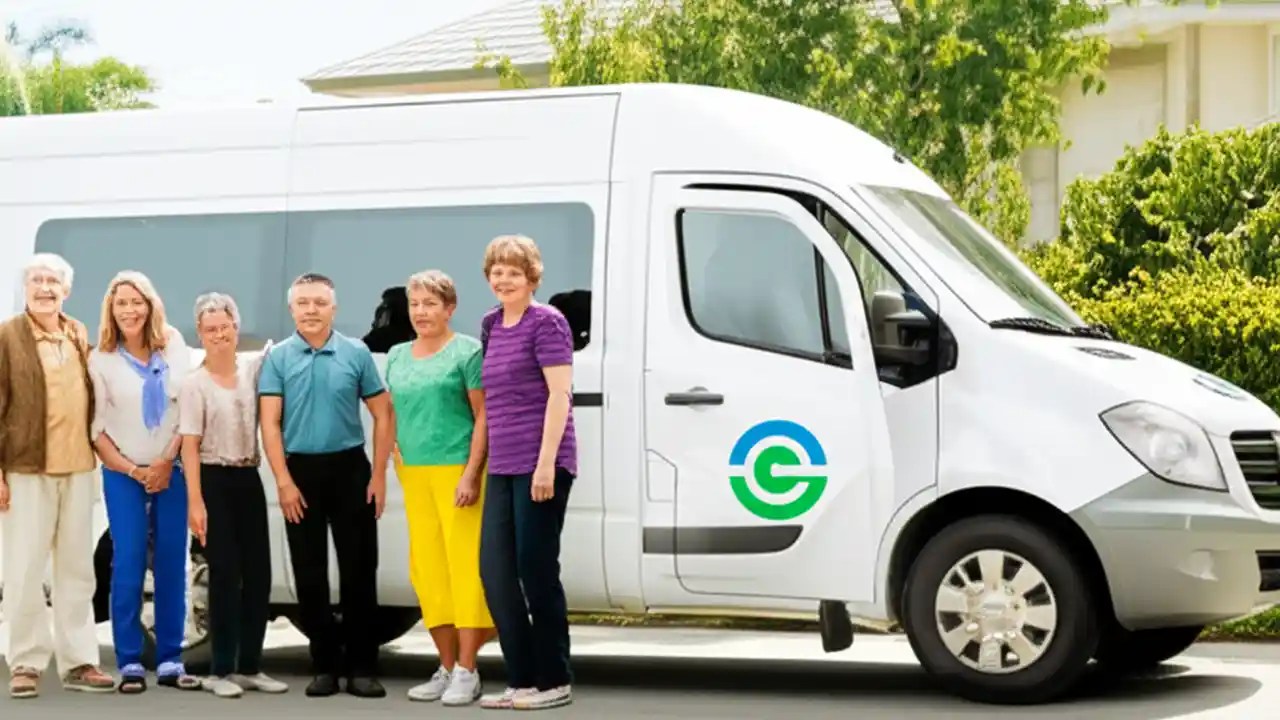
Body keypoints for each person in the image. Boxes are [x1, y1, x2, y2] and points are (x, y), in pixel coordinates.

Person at [258, 272, 394, 699]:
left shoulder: (355, 353)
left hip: (351, 469)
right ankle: (324, 667)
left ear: (333, 308)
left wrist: (377, 475)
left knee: (359, 571)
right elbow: (270, 423)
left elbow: (383, 412)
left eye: (319, 303)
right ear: (292, 308)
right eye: (303, 303)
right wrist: (283, 481)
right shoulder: (278, 357)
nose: (311, 310)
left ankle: (362, 668)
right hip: (300, 473)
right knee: (309, 571)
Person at [0, 253, 116, 699]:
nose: (44, 288)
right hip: (26, 468)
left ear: (66, 290)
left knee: (76, 571)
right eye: (36, 280)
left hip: (79, 470)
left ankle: (80, 661)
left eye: (53, 281)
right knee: (25, 570)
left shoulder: (76, 332)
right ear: (25, 288)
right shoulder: (9, 336)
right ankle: (26, 662)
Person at [476, 235, 578, 711]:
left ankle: (554, 678)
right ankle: (521, 679)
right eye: (496, 271)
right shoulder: (491, 324)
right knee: (496, 572)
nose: (503, 279)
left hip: (543, 463)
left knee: (536, 571)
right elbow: (490, 402)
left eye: (513, 272)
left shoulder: (548, 323)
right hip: (503, 463)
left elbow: (559, 396)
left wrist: (545, 466)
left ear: (531, 277)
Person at [87, 270, 200, 694]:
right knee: (129, 561)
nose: (130, 310)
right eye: (121, 304)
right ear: (111, 310)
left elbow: (187, 410)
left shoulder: (173, 344)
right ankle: (130, 660)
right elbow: (95, 429)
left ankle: (171, 656)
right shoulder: (100, 358)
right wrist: (136, 470)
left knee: (173, 561)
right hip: (123, 473)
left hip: (171, 469)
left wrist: (165, 461)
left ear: (150, 305)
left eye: (137, 302)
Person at [385, 270, 495, 706]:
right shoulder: (395, 354)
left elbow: (483, 416)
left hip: (458, 471)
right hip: (416, 474)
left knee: (464, 569)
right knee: (428, 571)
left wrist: (471, 472)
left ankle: (469, 669)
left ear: (449, 308)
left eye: (430, 303)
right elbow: (390, 412)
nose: (421, 312)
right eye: (415, 304)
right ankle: (446, 667)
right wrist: (393, 452)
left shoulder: (467, 352)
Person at [179, 292, 288, 699]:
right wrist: (195, 501)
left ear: (235, 329)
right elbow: (189, 446)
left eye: (225, 327)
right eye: (210, 330)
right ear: (201, 334)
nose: (218, 335)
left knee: (258, 574)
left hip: (247, 476)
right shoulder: (195, 384)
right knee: (224, 575)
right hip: (211, 478)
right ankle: (220, 669)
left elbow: (277, 354)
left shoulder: (253, 369)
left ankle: (250, 666)